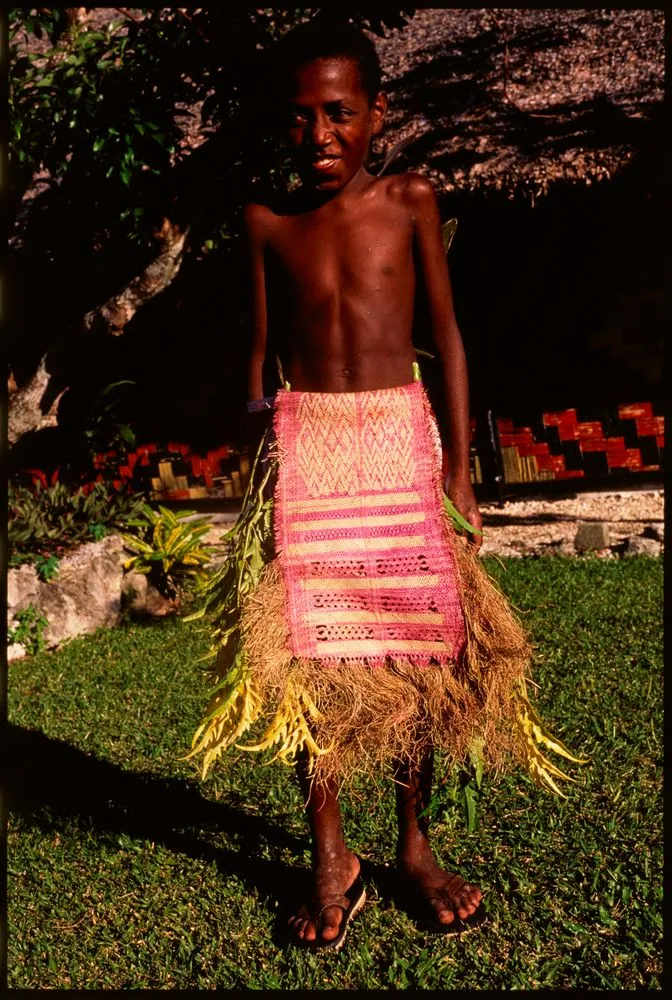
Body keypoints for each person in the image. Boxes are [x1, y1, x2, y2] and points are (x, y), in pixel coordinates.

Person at [188, 17, 583, 951]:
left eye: (339, 113)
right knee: (308, 660)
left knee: (415, 649)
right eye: (299, 118)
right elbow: (254, 359)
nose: (319, 135)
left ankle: (411, 844)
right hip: (307, 449)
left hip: (401, 441)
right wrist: (257, 456)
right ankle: (331, 854)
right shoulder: (264, 222)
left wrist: (461, 475)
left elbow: (445, 337)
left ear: (377, 113)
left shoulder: (410, 199)